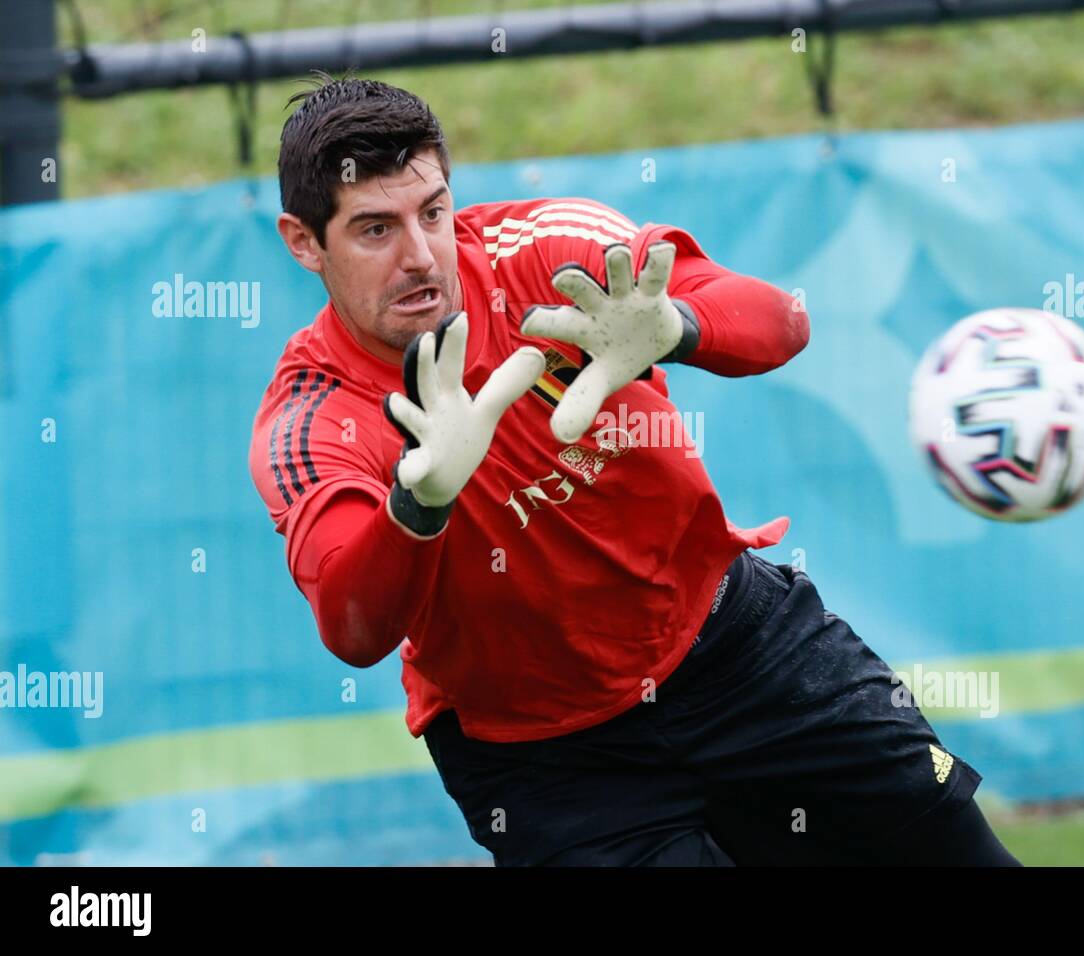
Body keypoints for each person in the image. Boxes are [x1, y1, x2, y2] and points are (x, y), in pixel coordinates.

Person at [250, 75, 1020, 866]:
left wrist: (678, 326)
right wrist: (419, 504)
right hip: (551, 762)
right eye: (375, 229)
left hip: (738, 649)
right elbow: (352, 629)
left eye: (433, 212)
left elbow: (783, 322)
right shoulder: (311, 418)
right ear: (304, 241)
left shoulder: (553, 256)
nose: (420, 257)